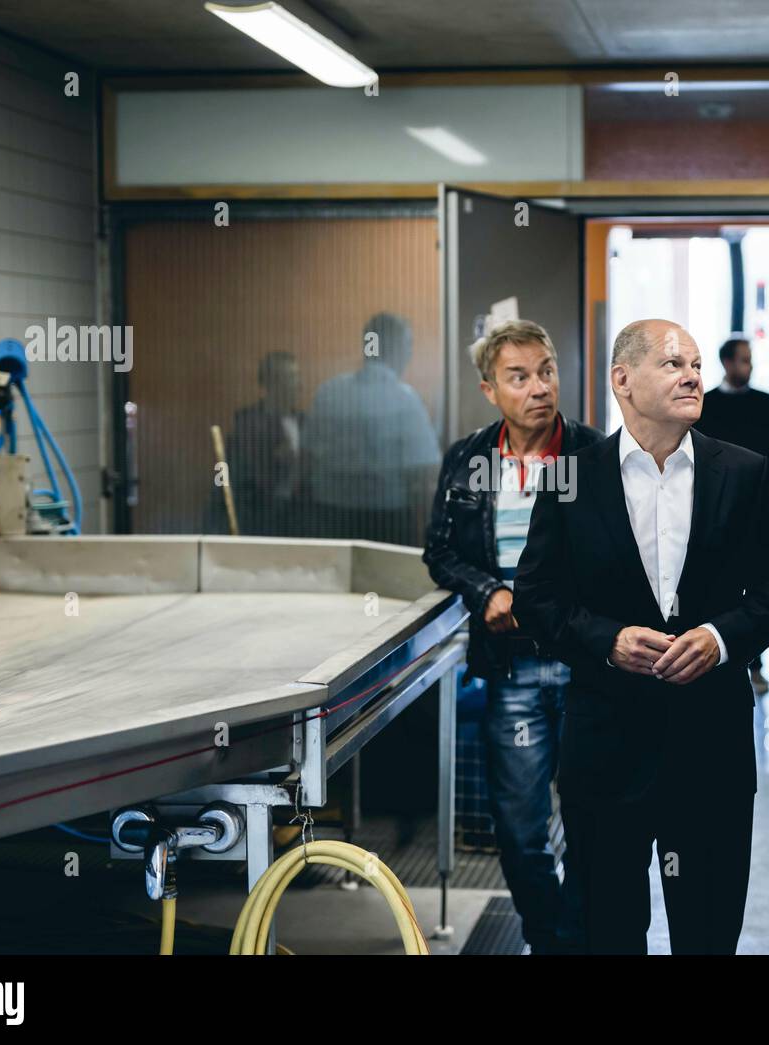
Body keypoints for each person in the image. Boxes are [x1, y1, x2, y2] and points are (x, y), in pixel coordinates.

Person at [513, 319, 769, 954]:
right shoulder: (572, 479)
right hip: (606, 746)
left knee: (708, 928)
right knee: (606, 929)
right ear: (622, 380)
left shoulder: (746, 474)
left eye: (696, 364)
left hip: (712, 748)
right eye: (674, 364)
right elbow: (536, 599)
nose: (694, 375)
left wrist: (721, 639)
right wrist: (606, 639)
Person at [423, 320, 603, 954]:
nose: (538, 388)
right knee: (520, 829)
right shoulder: (470, 459)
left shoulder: (590, 454)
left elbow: (615, 559)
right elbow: (440, 551)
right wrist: (487, 593)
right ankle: (547, 937)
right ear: (489, 389)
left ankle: (579, 937)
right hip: (511, 669)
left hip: (584, 668)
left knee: (590, 824)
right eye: (518, 377)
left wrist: (550, 605)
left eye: (546, 371)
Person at [695, 334, 769, 697]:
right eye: (742, 360)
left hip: (755, 499)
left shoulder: (762, 402)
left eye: (750, 360)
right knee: (724, 581)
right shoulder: (709, 403)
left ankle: (757, 664)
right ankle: (722, 657)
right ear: (727, 363)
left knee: (758, 580)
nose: (747, 367)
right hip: (715, 504)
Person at [307, 312, 441, 546]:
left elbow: (306, 457)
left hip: (328, 518)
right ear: (396, 348)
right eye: (408, 345)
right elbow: (425, 472)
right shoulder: (404, 399)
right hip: (386, 523)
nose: (410, 354)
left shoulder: (328, 393)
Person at [227, 351, 309, 537]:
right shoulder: (247, 424)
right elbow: (238, 478)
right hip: (262, 524)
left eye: (298, 377)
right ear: (271, 384)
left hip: (301, 524)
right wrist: (274, 460)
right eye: (291, 377)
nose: (299, 385)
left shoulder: (306, 422)